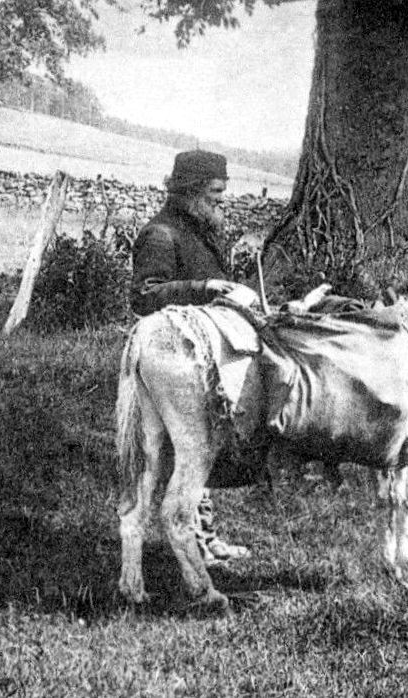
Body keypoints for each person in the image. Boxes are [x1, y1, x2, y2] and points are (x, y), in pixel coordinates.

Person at [130, 149, 254, 565]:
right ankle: (194, 543)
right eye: (215, 195)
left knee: (203, 444)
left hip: (201, 355)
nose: (221, 203)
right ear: (190, 192)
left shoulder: (196, 230)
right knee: (189, 447)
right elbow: (145, 296)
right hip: (172, 359)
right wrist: (204, 288)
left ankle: (207, 537)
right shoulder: (160, 235)